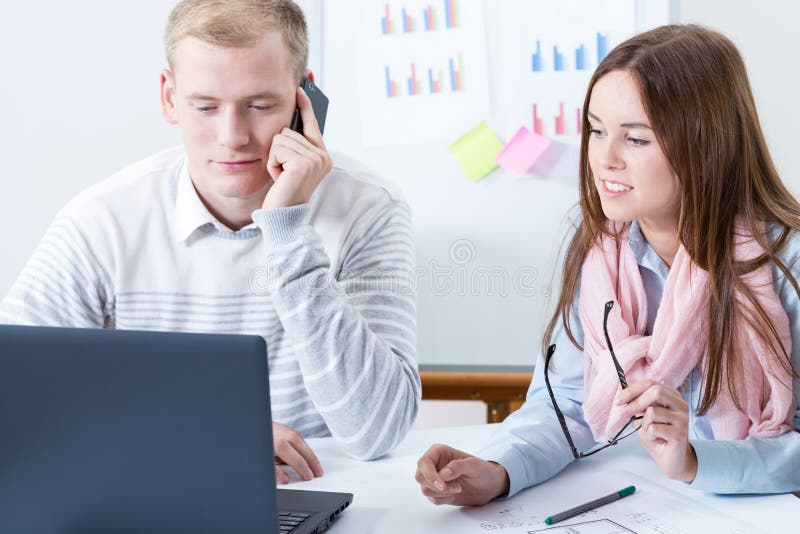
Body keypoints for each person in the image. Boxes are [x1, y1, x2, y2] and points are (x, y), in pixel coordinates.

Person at [0, 0, 420, 484]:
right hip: (157, 486)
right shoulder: (105, 219)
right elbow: (13, 399)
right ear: (168, 96)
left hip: (321, 494)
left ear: (304, 95)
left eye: (259, 105)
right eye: (205, 106)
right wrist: (213, 438)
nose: (233, 136)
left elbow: (378, 432)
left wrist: (286, 229)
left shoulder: (369, 209)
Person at [415, 24, 800, 505]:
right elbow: (569, 405)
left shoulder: (784, 262)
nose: (605, 159)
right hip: (647, 506)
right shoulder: (599, 245)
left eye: (636, 140)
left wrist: (697, 461)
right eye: (596, 130)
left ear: (706, 144)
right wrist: (497, 470)